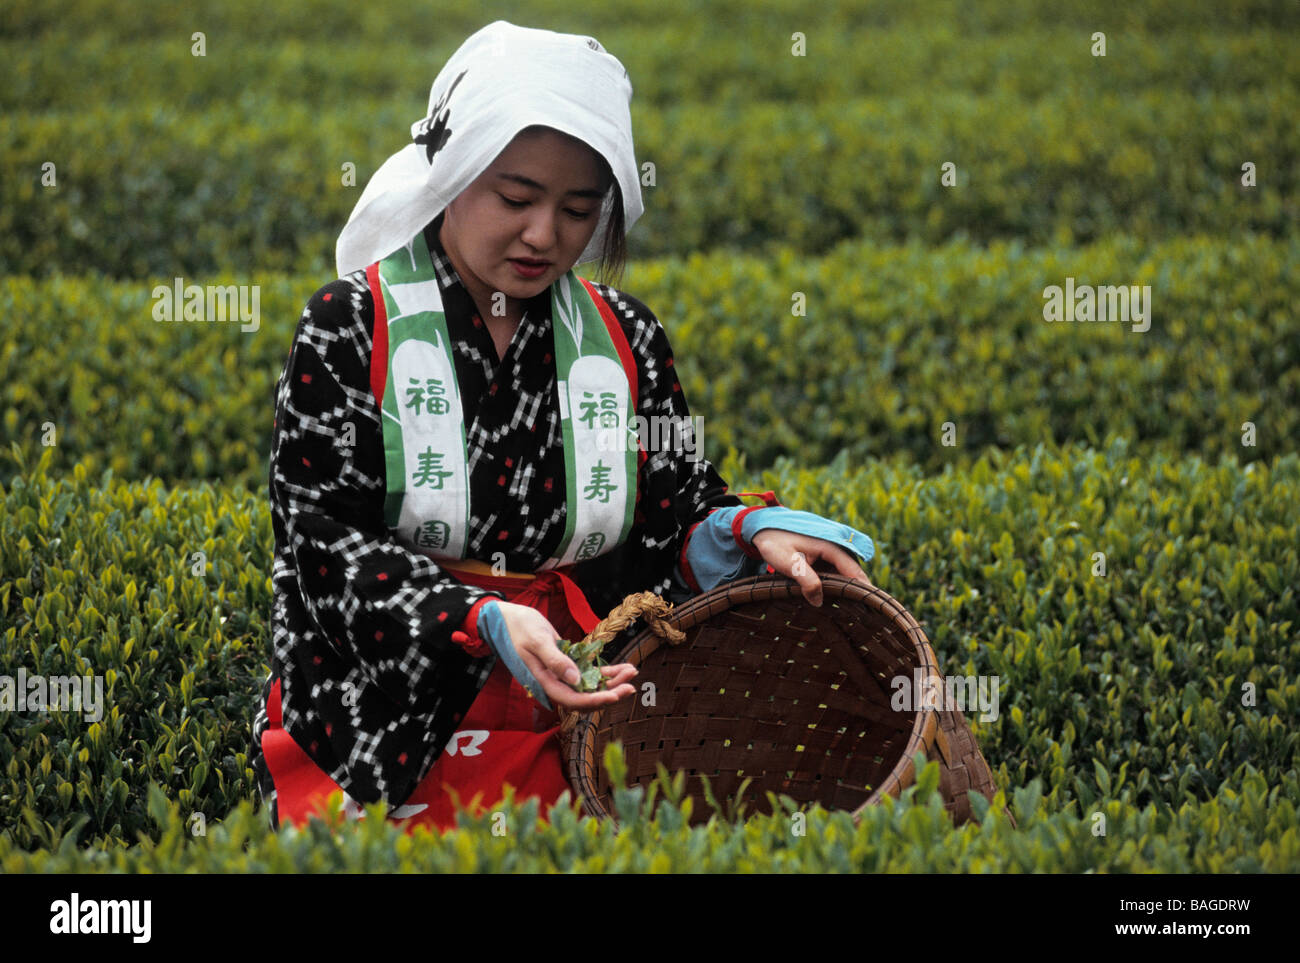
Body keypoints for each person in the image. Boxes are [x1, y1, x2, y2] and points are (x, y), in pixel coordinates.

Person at [249, 20, 878, 834]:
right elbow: (320, 542)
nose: (545, 235)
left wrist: (753, 532)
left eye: (579, 209)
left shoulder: (624, 337)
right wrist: (475, 617)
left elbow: (671, 507)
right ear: (455, 172)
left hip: (580, 699)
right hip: (384, 717)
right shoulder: (350, 326)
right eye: (515, 198)